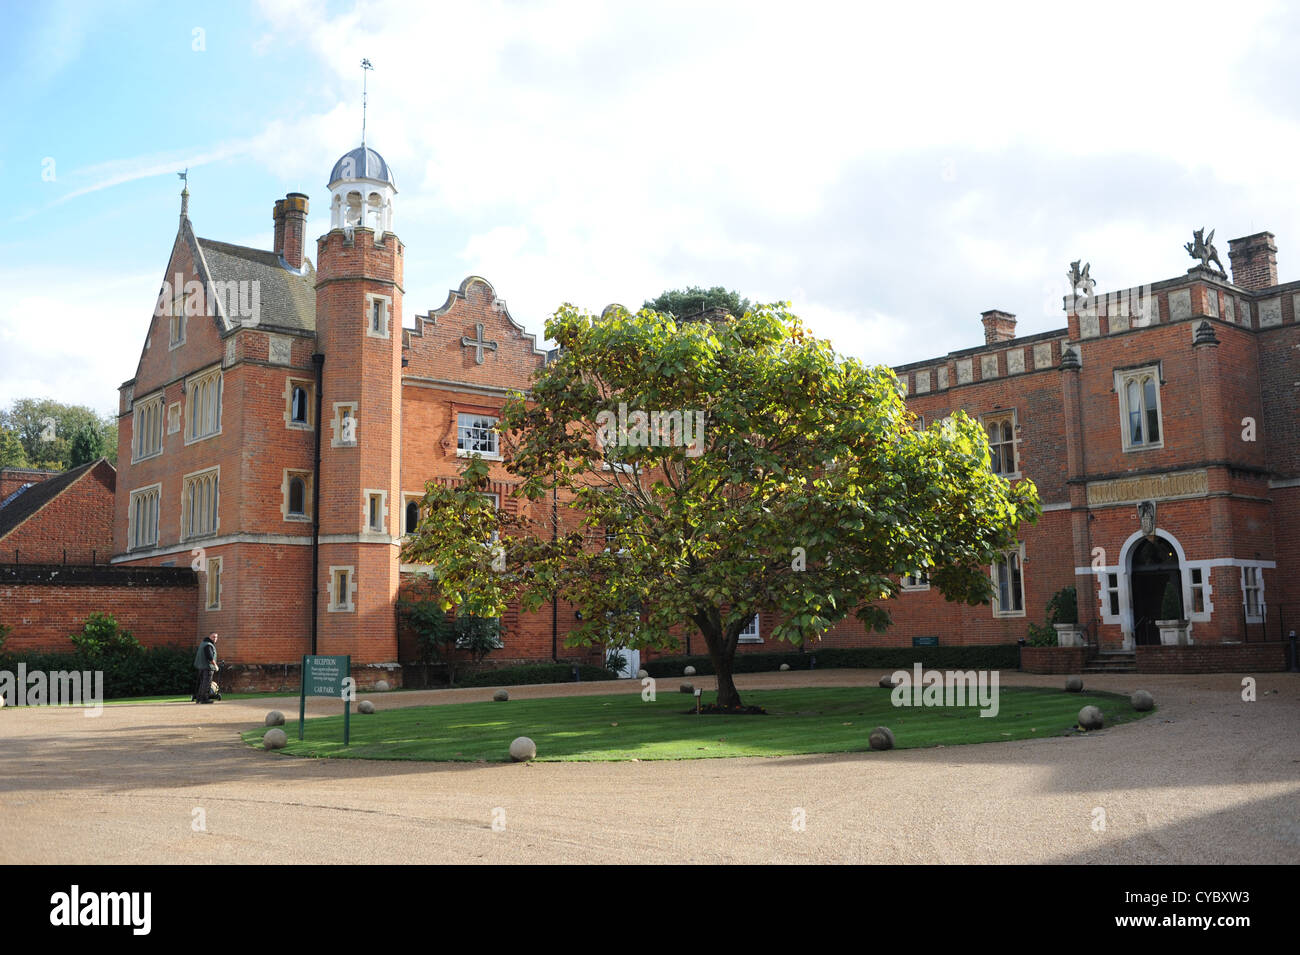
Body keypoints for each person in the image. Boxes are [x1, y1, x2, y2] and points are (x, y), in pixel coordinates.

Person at [193, 632, 220, 704]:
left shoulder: (203, 643)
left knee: (202, 683)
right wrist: (215, 666)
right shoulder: (208, 645)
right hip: (207, 667)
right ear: (210, 637)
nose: (215, 638)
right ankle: (204, 699)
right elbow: (210, 657)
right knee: (206, 683)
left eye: (216, 637)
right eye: (213, 637)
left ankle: (199, 699)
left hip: (201, 667)